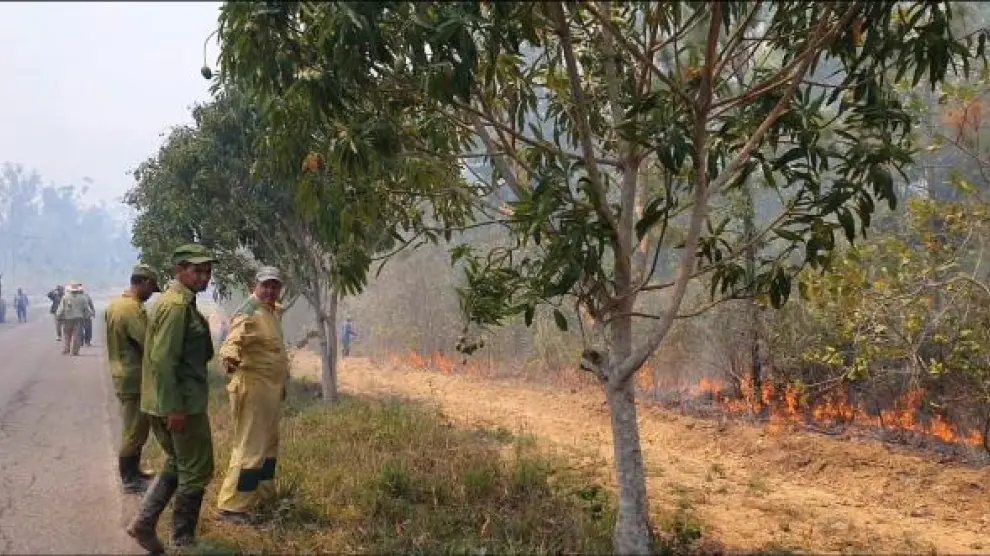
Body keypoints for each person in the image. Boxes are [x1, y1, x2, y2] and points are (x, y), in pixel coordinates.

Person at [127, 243, 217, 553]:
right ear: (180, 270)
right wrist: (175, 407)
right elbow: (164, 361)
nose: (204, 277)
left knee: (179, 464)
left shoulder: (178, 302)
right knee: (197, 468)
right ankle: (184, 541)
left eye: (207, 271)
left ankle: (144, 524)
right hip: (181, 403)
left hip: (168, 401)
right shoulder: (176, 306)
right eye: (197, 271)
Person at [216, 266, 290, 524]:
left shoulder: (271, 312)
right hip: (253, 390)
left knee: (268, 447)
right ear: (255, 285)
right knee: (250, 448)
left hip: (270, 393)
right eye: (266, 285)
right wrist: (230, 358)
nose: (270, 290)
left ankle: (261, 495)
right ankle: (232, 507)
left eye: (275, 286)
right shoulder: (249, 311)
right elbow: (232, 340)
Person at [105, 265, 161, 494]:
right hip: (134, 375)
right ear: (144, 283)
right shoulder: (131, 309)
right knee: (134, 428)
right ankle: (129, 478)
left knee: (135, 425)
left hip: (122, 372)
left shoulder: (115, 304)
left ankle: (135, 471)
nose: (151, 294)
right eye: (151, 289)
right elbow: (147, 341)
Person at [56, 282, 94, 356]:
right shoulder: (82, 298)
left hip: (67, 319)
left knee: (67, 335)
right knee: (76, 335)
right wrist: (89, 315)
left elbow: (61, 309)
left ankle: (66, 349)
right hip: (78, 319)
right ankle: (75, 351)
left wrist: (58, 316)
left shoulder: (65, 297)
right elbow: (86, 309)